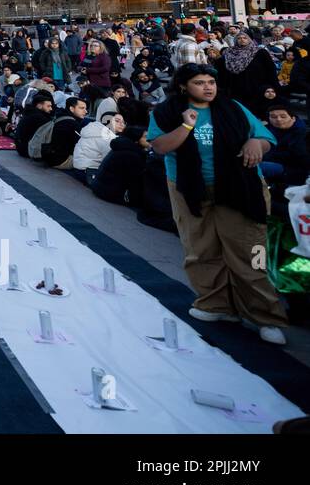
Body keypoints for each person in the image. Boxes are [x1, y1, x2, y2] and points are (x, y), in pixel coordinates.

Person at [147, 63, 288, 344]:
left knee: (251, 251)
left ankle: (265, 315)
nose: (208, 87)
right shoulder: (167, 112)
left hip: (240, 188)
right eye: (200, 82)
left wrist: (255, 145)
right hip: (189, 189)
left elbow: (265, 137)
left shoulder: (232, 107)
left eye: (211, 81)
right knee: (200, 249)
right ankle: (215, 304)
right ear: (184, 86)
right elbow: (160, 146)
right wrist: (186, 125)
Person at [217, 31, 279, 119]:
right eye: (239, 38)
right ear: (235, 40)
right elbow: (223, 72)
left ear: (249, 40)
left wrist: (273, 85)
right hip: (236, 88)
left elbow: (270, 69)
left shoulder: (260, 52)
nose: (242, 40)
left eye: (244, 38)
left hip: (257, 87)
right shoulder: (229, 53)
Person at [89, 126, 150, 210]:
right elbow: (136, 182)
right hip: (109, 192)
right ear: (136, 139)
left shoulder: (122, 147)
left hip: (100, 187)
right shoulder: (132, 155)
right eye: (145, 137)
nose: (150, 139)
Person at [72, 101, 125, 179]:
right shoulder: (107, 137)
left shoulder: (95, 129)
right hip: (88, 172)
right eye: (117, 121)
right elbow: (111, 161)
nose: (122, 124)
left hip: (79, 167)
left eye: (123, 122)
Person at [261, 103, 310, 187]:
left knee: (257, 167)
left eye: (283, 116)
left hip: (292, 169)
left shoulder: (303, 133)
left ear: (293, 118)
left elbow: (296, 157)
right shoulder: (268, 129)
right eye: (273, 117)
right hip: (273, 160)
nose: (278, 119)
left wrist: (264, 155)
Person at [15, 92, 54, 159]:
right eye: (48, 106)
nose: (51, 109)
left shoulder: (30, 113)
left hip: (21, 147)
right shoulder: (39, 117)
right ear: (39, 106)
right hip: (27, 150)